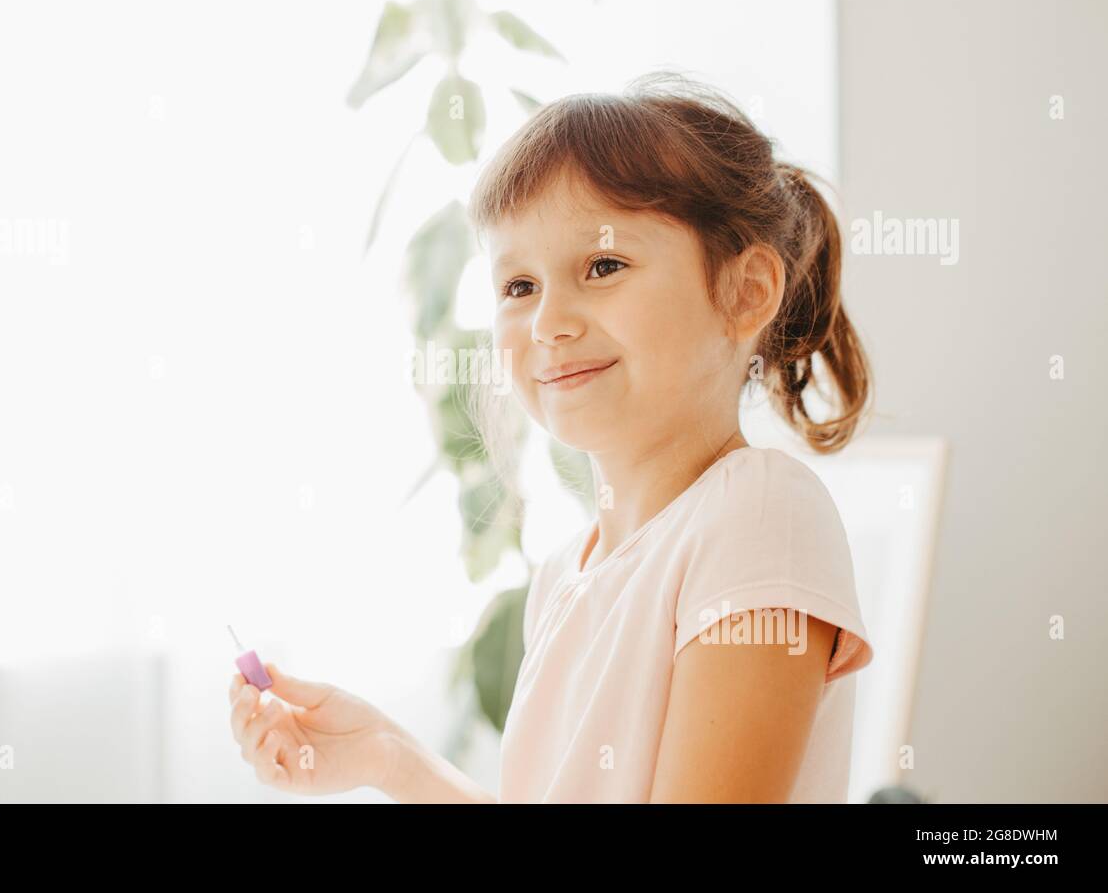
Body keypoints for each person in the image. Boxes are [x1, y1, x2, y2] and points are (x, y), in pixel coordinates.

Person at [228, 71, 875, 802]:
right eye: (519, 286)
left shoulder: (758, 515)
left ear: (746, 291)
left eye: (603, 266)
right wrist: (389, 759)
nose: (549, 323)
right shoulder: (565, 577)